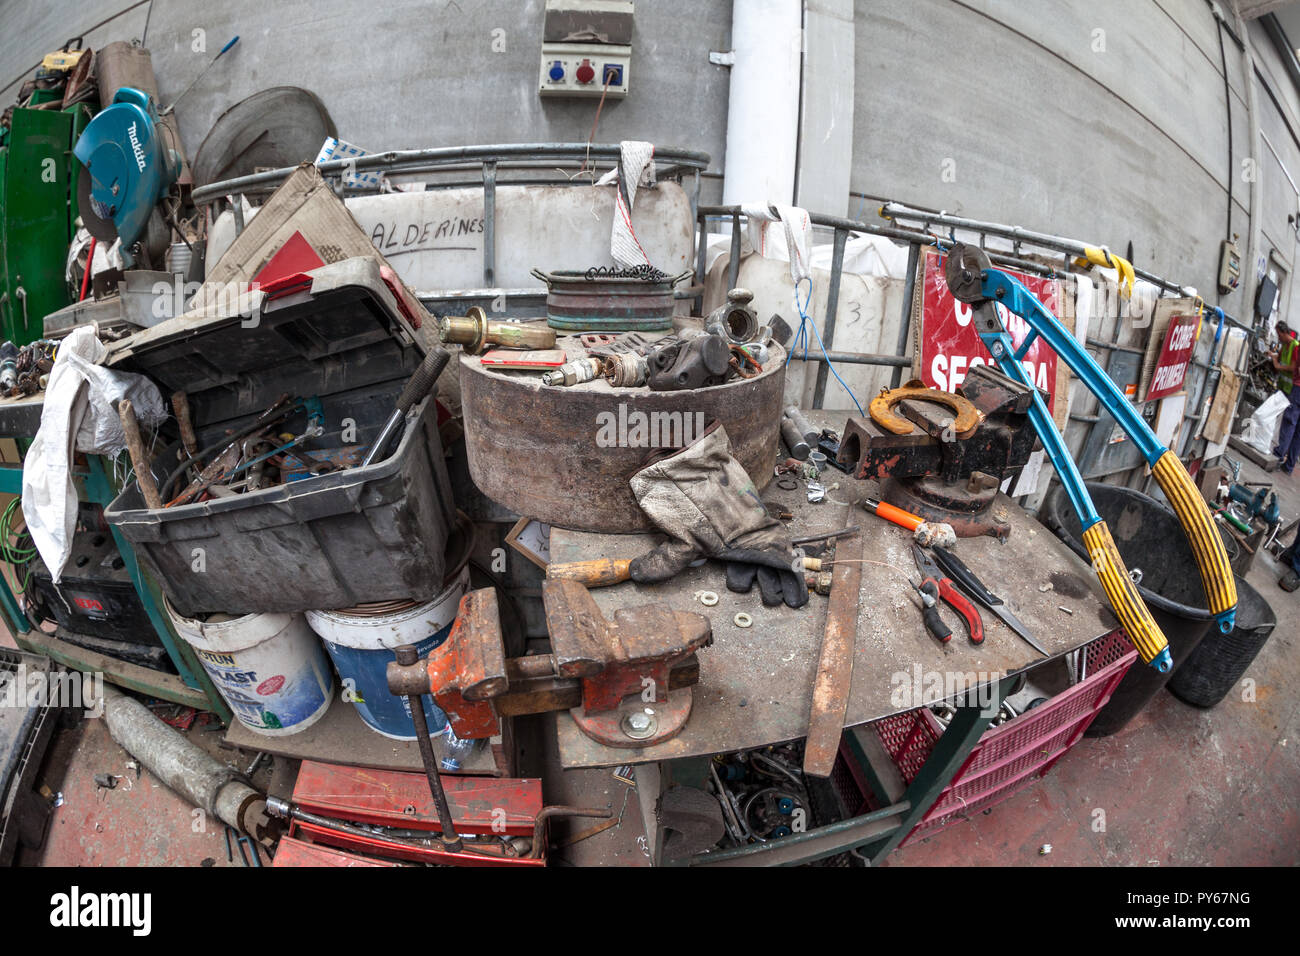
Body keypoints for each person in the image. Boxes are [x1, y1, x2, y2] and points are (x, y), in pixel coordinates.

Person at [1270, 323, 1300, 473]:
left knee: (1289, 422)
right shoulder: (1289, 346)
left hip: (1296, 389)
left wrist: (1276, 363)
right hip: (1291, 388)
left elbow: (1296, 368)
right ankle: (1288, 466)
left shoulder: (1296, 346)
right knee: (1297, 430)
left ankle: (1279, 454)